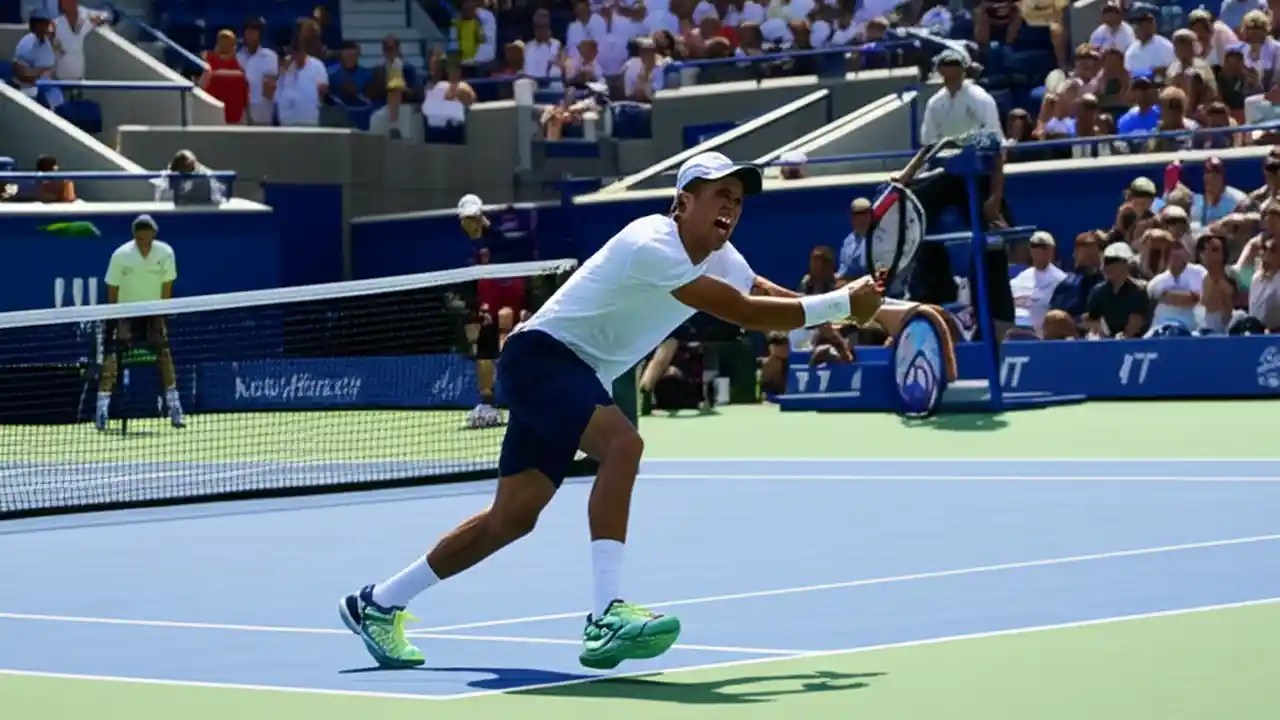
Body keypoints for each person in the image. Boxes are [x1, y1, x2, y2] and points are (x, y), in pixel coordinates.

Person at [339, 151, 883, 671]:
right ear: (683, 202)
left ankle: (378, 603)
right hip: (543, 359)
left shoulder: (720, 256)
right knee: (624, 444)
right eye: (720, 194)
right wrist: (836, 305)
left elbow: (758, 288)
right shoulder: (651, 240)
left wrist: (827, 322)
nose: (731, 208)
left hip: (567, 375)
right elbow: (740, 309)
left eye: (738, 199)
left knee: (511, 520)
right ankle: (605, 617)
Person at [96, 215, 185, 431]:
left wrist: (162, 316)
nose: (143, 240)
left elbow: (167, 286)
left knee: (164, 355)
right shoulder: (121, 255)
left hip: (153, 312)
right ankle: (101, 411)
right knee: (112, 360)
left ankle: (175, 410)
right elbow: (112, 289)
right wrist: (118, 320)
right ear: (134, 235)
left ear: (153, 234)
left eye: (146, 235)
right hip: (125, 312)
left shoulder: (165, 253)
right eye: (139, 235)